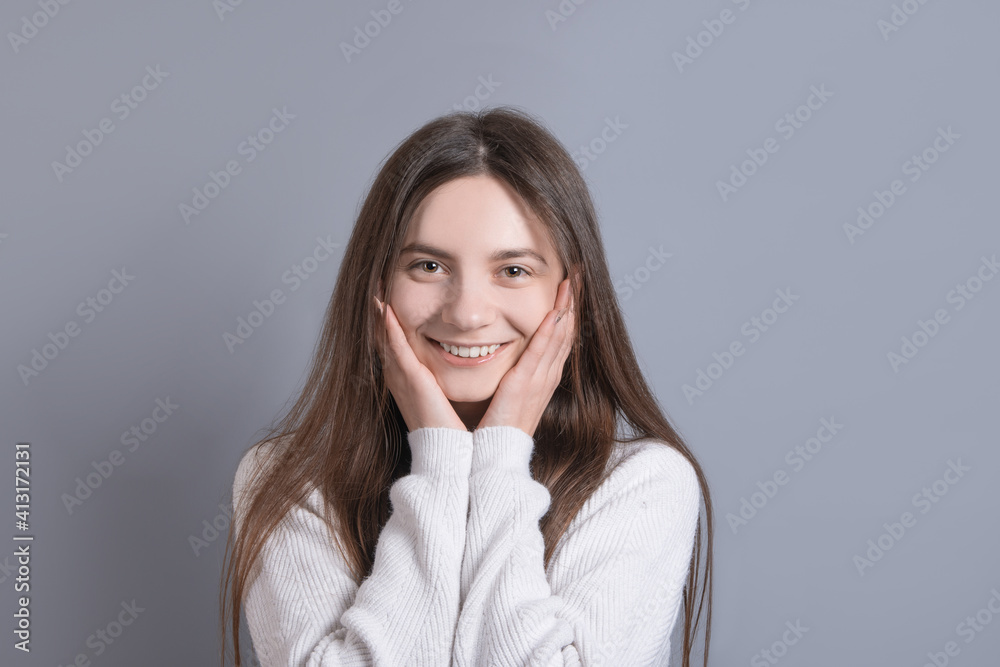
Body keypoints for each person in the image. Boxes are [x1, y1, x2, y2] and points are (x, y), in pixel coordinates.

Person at [220, 106, 714, 666]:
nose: (468, 314)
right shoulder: (284, 482)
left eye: (514, 270)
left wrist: (501, 456)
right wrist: (440, 458)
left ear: (572, 296)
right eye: (429, 266)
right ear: (376, 284)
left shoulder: (643, 484)